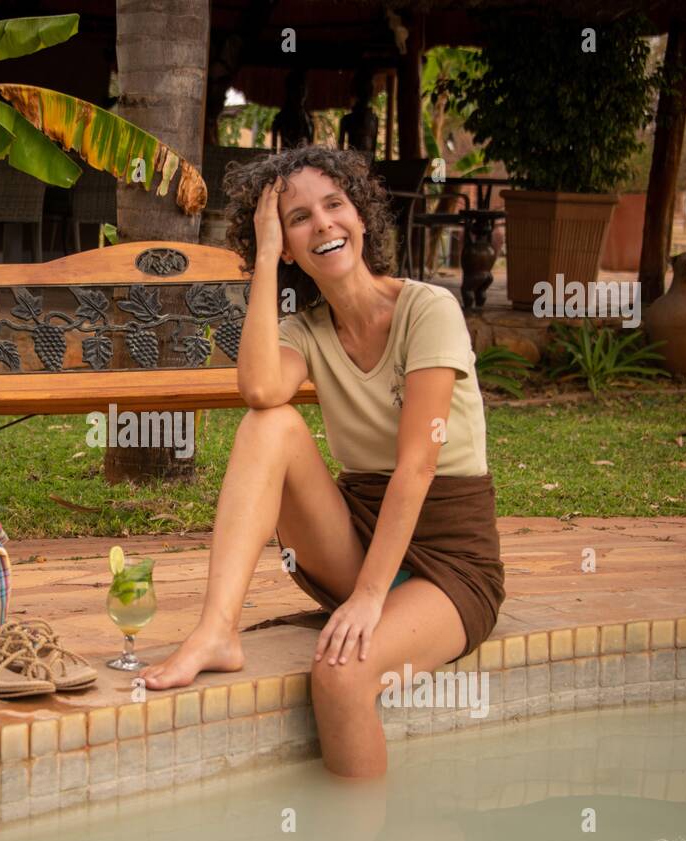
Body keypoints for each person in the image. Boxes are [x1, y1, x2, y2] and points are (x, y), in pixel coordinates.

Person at [139, 146, 505, 778]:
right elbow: (258, 389)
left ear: (361, 217)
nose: (324, 226)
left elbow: (417, 467)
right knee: (271, 423)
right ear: (285, 242)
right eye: (298, 218)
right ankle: (216, 630)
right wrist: (262, 259)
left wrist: (368, 599)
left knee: (339, 677)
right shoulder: (306, 330)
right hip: (358, 536)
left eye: (335, 205)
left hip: (449, 561)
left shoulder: (429, 310)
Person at [270, 69, 313, 151]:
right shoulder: (281, 118)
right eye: (297, 89)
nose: (301, 93)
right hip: (285, 159)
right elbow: (273, 150)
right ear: (290, 91)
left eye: (304, 88)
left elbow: (310, 146)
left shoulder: (308, 119)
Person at [338, 69, 379, 154]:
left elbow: (372, 153)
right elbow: (340, 150)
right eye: (364, 89)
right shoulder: (347, 120)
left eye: (368, 89)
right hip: (352, 164)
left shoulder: (374, 120)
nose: (366, 93)